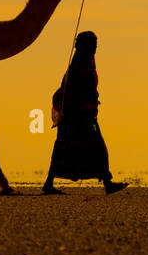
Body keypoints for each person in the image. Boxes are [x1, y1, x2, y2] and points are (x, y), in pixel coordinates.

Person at [42, 31, 127, 195]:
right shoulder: (79, 66)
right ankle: (108, 184)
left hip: (79, 115)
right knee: (96, 148)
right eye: (92, 45)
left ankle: (49, 183)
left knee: (67, 149)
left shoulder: (85, 63)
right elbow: (77, 89)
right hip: (78, 116)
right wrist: (87, 106)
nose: (95, 48)